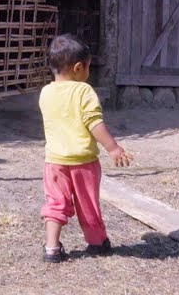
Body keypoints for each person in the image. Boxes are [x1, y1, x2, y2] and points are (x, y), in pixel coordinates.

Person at [38, 34, 133, 262]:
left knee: (55, 203)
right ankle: (97, 242)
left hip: (54, 162)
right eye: (88, 67)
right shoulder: (84, 91)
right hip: (83, 163)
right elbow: (94, 123)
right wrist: (113, 148)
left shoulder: (45, 93)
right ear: (79, 68)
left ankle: (51, 249)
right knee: (87, 202)